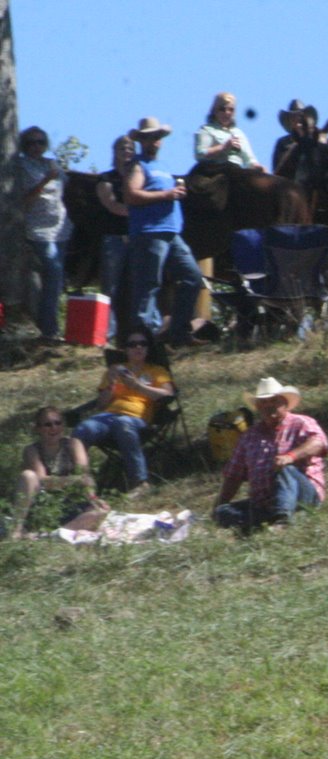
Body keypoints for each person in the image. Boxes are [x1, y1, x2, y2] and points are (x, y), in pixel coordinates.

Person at [123, 117, 204, 344]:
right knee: (148, 286)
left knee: (192, 277)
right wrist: (166, 195)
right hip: (149, 233)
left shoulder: (163, 167)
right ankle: (142, 341)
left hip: (171, 233)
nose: (154, 141)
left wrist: (176, 192)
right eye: (149, 137)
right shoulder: (138, 166)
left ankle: (179, 332)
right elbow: (131, 195)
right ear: (141, 141)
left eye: (157, 137)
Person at [214, 377, 328, 532]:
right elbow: (234, 476)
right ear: (258, 407)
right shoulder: (249, 436)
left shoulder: (301, 423)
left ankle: (282, 520)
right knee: (223, 512)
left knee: (285, 468)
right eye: (263, 402)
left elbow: (318, 443)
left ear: (285, 403)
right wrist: (218, 506)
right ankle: (267, 523)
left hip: (303, 495)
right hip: (263, 504)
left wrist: (291, 457)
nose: (268, 406)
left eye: (273, 401)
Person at [70, 328, 173, 496]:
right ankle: (80, 482)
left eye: (143, 344)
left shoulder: (157, 371)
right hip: (108, 416)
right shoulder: (116, 370)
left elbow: (168, 394)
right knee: (83, 429)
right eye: (132, 344)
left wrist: (138, 386)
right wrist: (111, 383)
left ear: (148, 348)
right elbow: (102, 405)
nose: (138, 347)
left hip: (136, 418)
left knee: (123, 423)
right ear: (126, 349)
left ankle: (140, 483)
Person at [9, 126, 71, 341]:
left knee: (57, 277)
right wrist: (45, 180)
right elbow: (23, 199)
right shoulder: (20, 165)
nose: (36, 147)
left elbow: (66, 185)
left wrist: (54, 172)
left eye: (40, 142)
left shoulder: (50, 163)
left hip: (61, 227)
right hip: (38, 228)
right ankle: (49, 329)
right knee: (53, 271)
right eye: (30, 143)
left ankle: (52, 326)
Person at [10, 407, 101, 538]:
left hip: (71, 501)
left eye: (58, 423)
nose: (54, 427)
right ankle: (17, 529)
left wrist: (93, 498)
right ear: (38, 429)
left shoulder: (73, 444)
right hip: (44, 502)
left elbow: (84, 474)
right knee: (28, 476)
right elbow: (42, 481)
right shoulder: (32, 450)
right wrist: (74, 480)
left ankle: (50, 535)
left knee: (100, 512)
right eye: (47, 424)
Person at [95, 136, 137, 340]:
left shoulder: (140, 177)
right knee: (110, 288)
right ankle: (108, 335)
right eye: (122, 147)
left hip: (138, 238)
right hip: (114, 238)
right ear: (114, 151)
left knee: (138, 287)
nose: (126, 151)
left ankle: (138, 335)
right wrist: (142, 208)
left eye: (130, 148)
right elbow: (112, 205)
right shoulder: (106, 179)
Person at [194, 92, 262, 169]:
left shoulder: (238, 133)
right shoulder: (206, 130)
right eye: (222, 109)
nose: (227, 113)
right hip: (216, 170)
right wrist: (223, 147)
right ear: (215, 111)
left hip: (237, 171)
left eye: (231, 110)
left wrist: (258, 167)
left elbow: (250, 160)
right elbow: (200, 154)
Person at [272, 99, 318, 173]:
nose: (297, 119)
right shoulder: (282, 143)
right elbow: (277, 170)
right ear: (290, 121)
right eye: (293, 117)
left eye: (300, 115)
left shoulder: (317, 139)